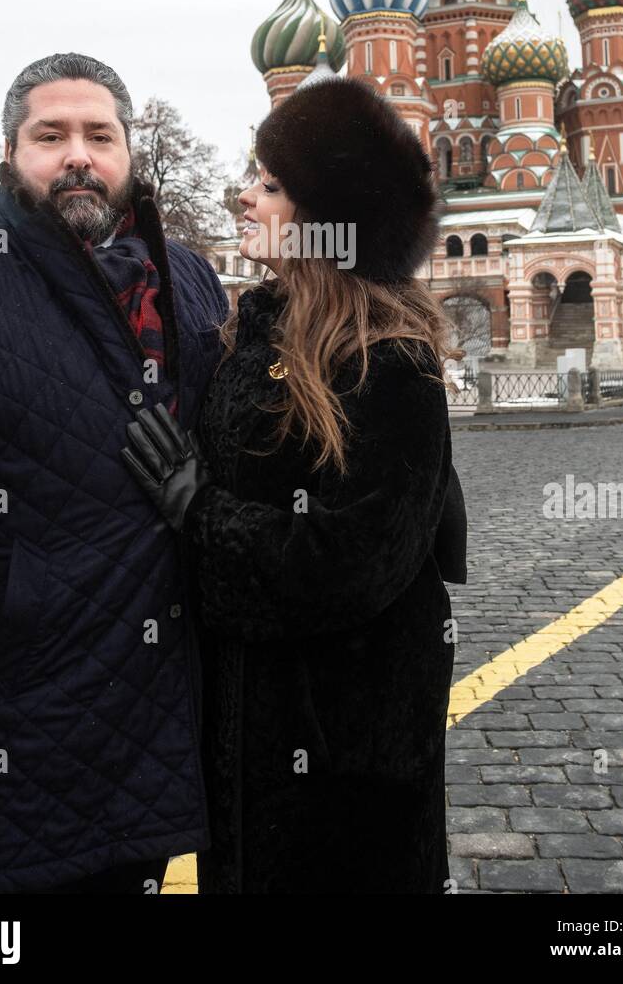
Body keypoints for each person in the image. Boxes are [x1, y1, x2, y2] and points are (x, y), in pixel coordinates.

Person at [0, 53, 228, 893]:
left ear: (129, 154)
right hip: (20, 724)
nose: (78, 155)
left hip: (171, 712)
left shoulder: (188, 279)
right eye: (50, 135)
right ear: (8, 153)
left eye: (99, 135)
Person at [122, 75, 468, 894]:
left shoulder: (388, 363)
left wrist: (196, 509)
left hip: (347, 758)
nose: (243, 196)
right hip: (244, 743)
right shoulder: (253, 329)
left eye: (270, 185)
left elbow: (350, 564)